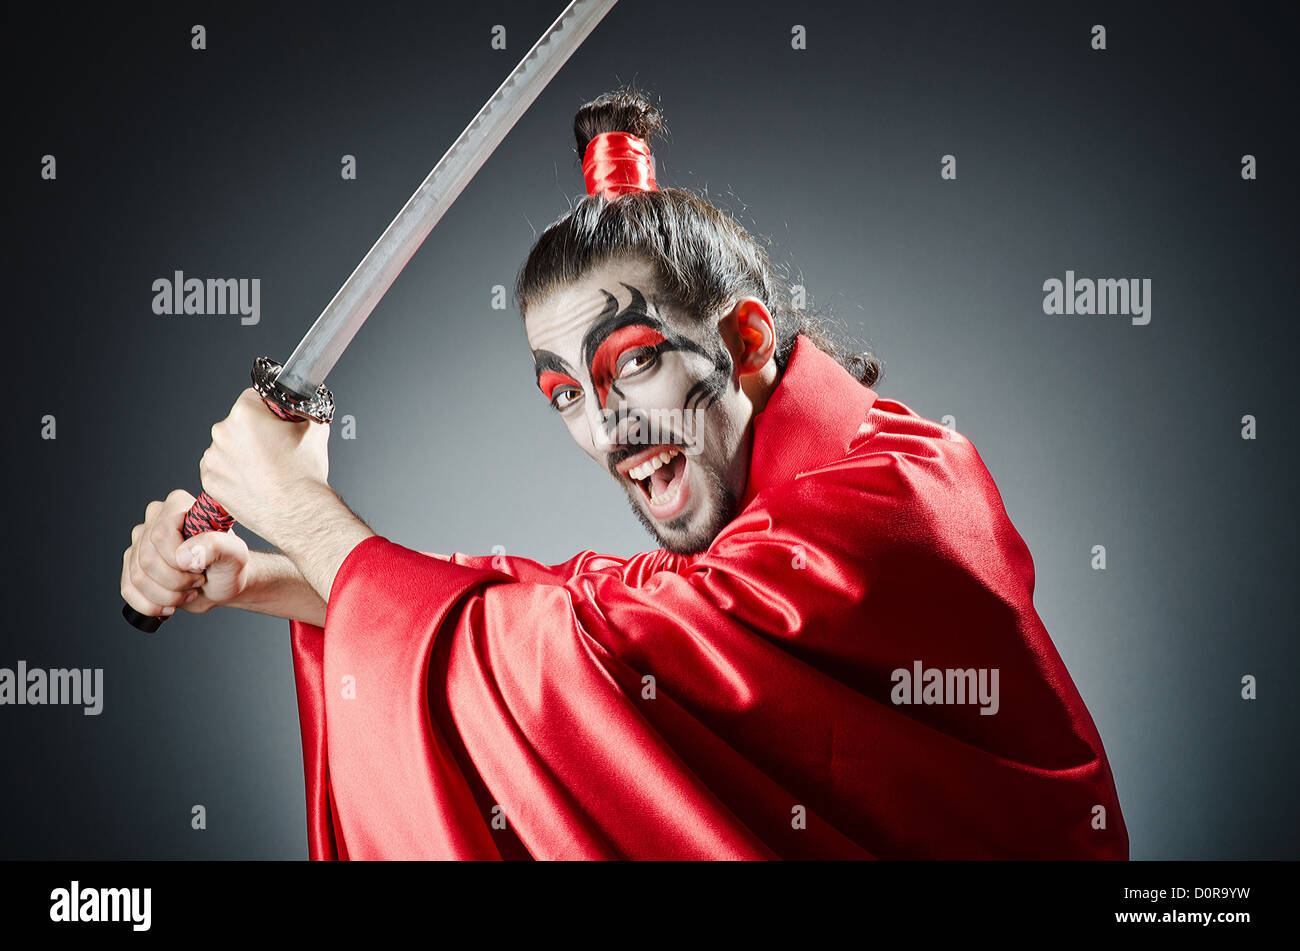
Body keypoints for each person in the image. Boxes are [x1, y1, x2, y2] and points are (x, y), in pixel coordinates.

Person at [120, 87, 1129, 860]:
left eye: (632, 362)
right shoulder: (777, 522)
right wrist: (274, 578)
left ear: (742, 337)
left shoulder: (903, 491)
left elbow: (594, 658)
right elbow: (595, 604)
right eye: (562, 392)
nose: (605, 430)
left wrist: (302, 511)